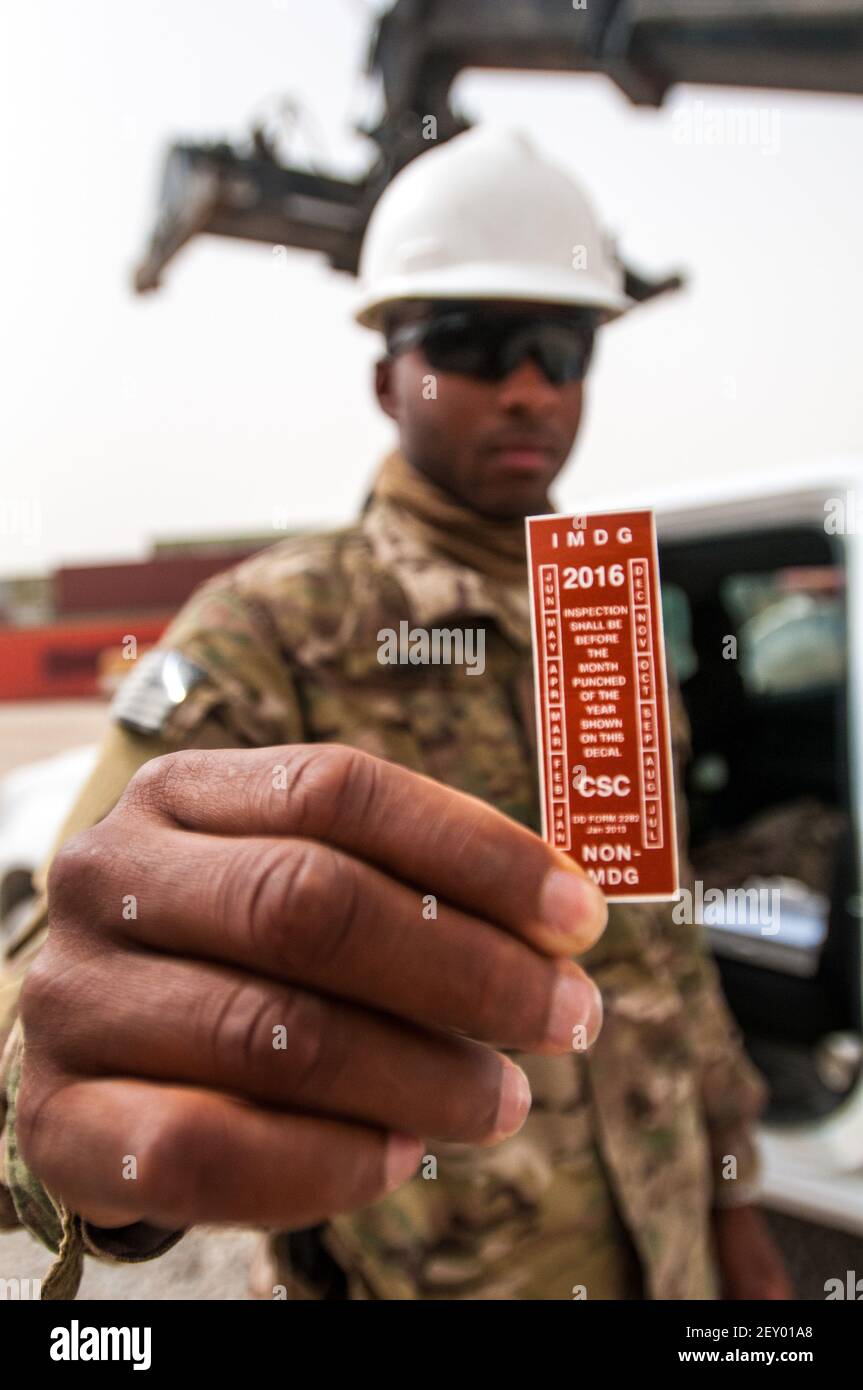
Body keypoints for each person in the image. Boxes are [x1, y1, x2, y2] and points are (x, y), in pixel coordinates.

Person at [0, 127, 790, 1300]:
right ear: (387, 375)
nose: (524, 384)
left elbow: (661, 953)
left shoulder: (602, 614)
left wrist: (733, 1205)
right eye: (469, 344)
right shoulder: (272, 627)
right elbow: (67, 981)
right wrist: (67, 1105)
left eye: (557, 345)